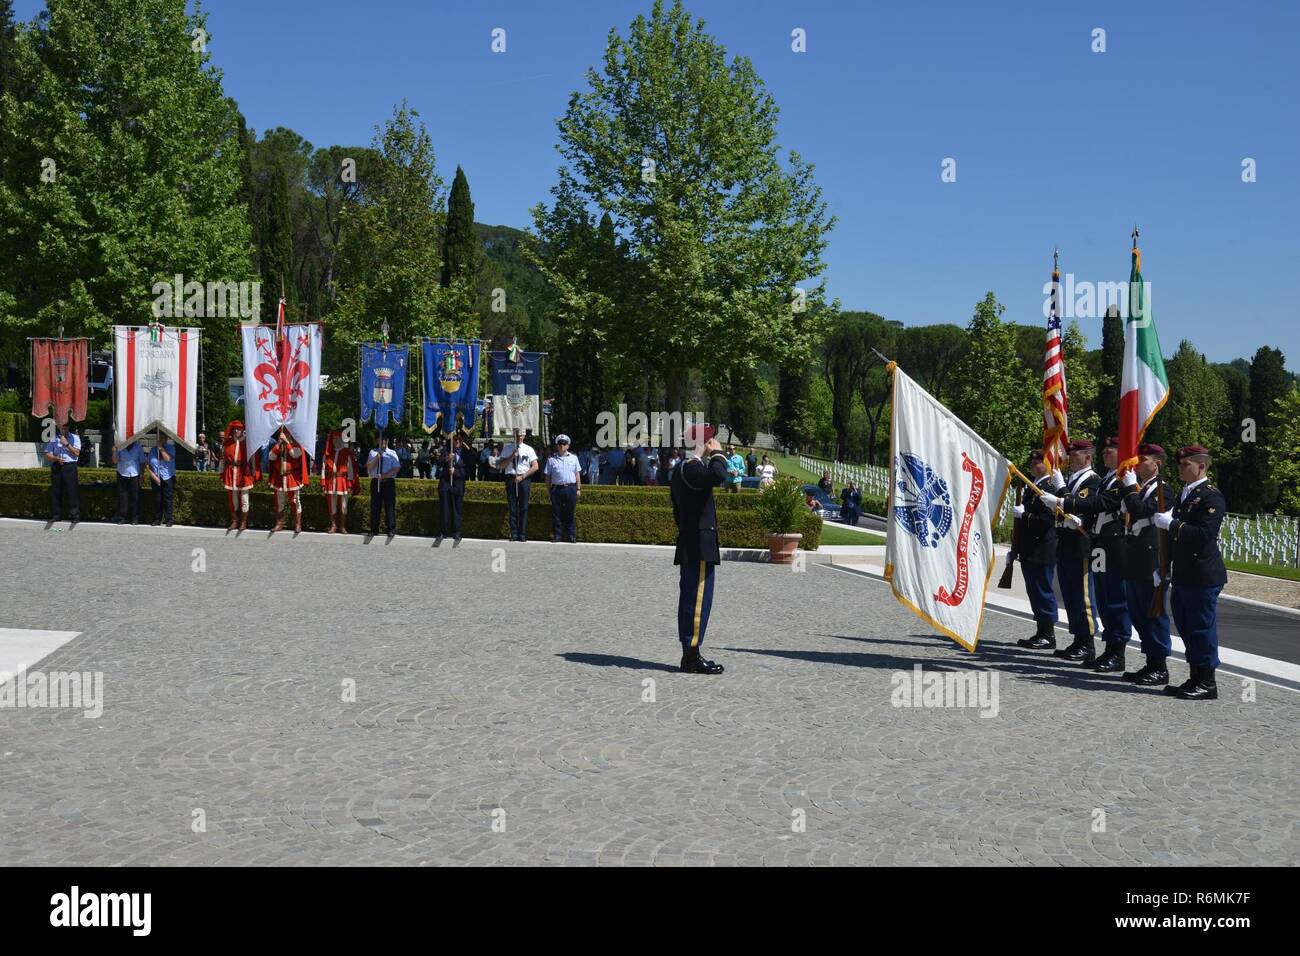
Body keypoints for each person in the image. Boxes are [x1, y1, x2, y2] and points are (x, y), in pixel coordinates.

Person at [1154, 445, 1228, 701]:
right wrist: (1163, 567)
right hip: (1183, 574)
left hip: (1202, 575)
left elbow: (1204, 535)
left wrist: (1172, 524)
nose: (1180, 469)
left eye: (1185, 465)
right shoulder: (1186, 495)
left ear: (1202, 466)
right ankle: (1195, 676)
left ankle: (1208, 682)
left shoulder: (1211, 497)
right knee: (1186, 627)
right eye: (1179, 464)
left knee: (1201, 629)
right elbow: (1175, 542)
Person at [1053, 437, 1130, 672]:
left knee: (1093, 597)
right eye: (1105, 452)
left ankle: (1096, 645)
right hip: (1092, 544)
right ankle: (1086, 642)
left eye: (1110, 452)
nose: (1105, 455)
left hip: (1097, 546)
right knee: (1081, 596)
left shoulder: (1104, 480)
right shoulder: (1107, 479)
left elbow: (1096, 504)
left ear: (1087, 457)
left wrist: (1062, 497)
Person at [670, 425, 730, 674]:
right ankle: (691, 655)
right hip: (699, 544)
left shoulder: (680, 469)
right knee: (697, 601)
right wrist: (718, 455)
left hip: (692, 541)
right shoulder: (692, 468)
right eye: (711, 440)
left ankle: (691, 653)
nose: (714, 442)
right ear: (703, 443)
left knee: (692, 599)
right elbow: (718, 475)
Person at [1040, 440, 1100, 663]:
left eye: (1075, 455)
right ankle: (1077, 639)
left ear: (1087, 457)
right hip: (1066, 542)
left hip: (1081, 545)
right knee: (1070, 595)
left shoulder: (1093, 481)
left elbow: (1080, 504)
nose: (1070, 458)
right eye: (1071, 454)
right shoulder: (1074, 480)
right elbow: (1067, 505)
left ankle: (1088, 643)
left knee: (1083, 597)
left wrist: (1061, 492)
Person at [1118, 443, 1173, 687]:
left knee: (1154, 615)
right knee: (1138, 614)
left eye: (1143, 459)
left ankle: (1159, 667)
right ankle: (1150, 662)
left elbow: (1141, 512)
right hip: (1135, 559)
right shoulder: (1144, 489)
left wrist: (1129, 489)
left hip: (1151, 560)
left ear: (1157, 463)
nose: (1137, 464)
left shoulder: (1164, 490)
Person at [1015, 449, 1061, 650]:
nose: (1033, 465)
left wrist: (1024, 516)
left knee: (1042, 591)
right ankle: (1041, 631)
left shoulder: (1048, 487)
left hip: (1042, 547)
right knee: (1034, 591)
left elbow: (1045, 522)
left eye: (1038, 462)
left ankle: (1048, 634)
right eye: (1032, 462)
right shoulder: (1033, 486)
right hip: (1030, 548)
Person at [267, 427, 309, 534]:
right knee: (279, 502)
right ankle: (279, 523)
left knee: (295, 501)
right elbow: (271, 457)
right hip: (279, 478)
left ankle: (297, 524)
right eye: (284, 435)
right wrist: (278, 445)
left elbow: (295, 454)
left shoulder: (297, 446)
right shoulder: (277, 446)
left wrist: (287, 443)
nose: (286, 436)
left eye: (287, 435)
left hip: (292, 478)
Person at [499, 430, 538, 542]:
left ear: (524, 436)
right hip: (511, 477)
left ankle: (522, 534)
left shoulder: (529, 449)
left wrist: (523, 476)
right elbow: (501, 465)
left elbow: (535, 466)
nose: (519, 437)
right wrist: (512, 456)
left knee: (524, 507)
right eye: (517, 435)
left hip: (523, 478)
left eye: (521, 435)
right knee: (512, 506)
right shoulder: (507, 448)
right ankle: (514, 533)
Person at [220, 419, 259, 532]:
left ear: (243, 431)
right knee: (233, 500)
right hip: (231, 472)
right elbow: (223, 459)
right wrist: (221, 472)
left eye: (239, 429)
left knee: (244, 499)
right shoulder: (227, 443)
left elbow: (253, 459)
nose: (237, 431)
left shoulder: (248, 443)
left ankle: (243, 522)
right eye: (235, 429)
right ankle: (234, 521)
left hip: (243, 473)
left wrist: (253, 472)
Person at [545, 434, 582, 543]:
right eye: (560, 443)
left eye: (564, 444)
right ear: (557, 445)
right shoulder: (551, 459)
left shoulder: (574, 458)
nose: (562, 445)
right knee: (557, 514)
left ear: (568, 446)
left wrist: (578, 489)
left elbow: (577, 474)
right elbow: (548, 477)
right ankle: (557, 536)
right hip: (557, 489)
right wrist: (549, 491)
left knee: (570, 513)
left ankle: (571, 535)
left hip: (571, 488)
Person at [321, 430, 360, 534]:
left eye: (338, 439)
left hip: (342, 482)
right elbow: (323, 470)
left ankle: (342, 526)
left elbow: (350, 470)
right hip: (330, 482)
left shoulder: (346, 453)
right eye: (334, 439)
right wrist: (323, 483)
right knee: (332, 505)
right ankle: (333, 525)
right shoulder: (327, 453)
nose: (335, 441)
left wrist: (349, 484)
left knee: (343, 505)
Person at [44, 422, 81, 527]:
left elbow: (77, 453)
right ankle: (56, 515)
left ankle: (75, 515)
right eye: (61, 426)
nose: (63, 428)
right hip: (57, 465)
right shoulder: (54, 438)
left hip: (70, 466)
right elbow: (47, 454)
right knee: (56, 491)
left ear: (68, 427)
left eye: (65, 426)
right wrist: (56, 458)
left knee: (72, 491)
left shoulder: (75, 438)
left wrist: (66, 444)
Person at [366, 432, 401, 538]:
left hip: (388, 482)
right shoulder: (373, 452)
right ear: (377, 441)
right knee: (375, 506)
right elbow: (369, 467)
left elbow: (396, 468)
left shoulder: (392, 453)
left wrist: (385, 475)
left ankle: (391, 529)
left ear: (388, 441)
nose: (383, 442)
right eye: (381, 439)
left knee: (389, 506)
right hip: (376, 481)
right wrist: (378, 456)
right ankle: (374, 529)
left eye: (385, 440)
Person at [146, 430, 177, 527]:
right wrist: (155, 477)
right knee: (157, 499)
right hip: (156, 477)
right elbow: (149, 465)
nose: (160, 439)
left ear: (166, 439)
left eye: (163, 438)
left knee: (168, 499)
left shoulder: (170, 448)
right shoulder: (152, 450)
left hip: (168, 477)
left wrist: (161, 448)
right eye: (159, 438)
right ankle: (157, 518)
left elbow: (167, 459)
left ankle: (169, 519)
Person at [111, 439, 144, 525]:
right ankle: (123, 517)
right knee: (123, 497)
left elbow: (142, 462)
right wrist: (114, 451)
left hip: (135, 473)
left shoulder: (138, 447)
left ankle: (135, 518)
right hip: (122, 473)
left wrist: (141, 475)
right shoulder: (120, 446)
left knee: (135, 497)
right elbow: (115, 461)